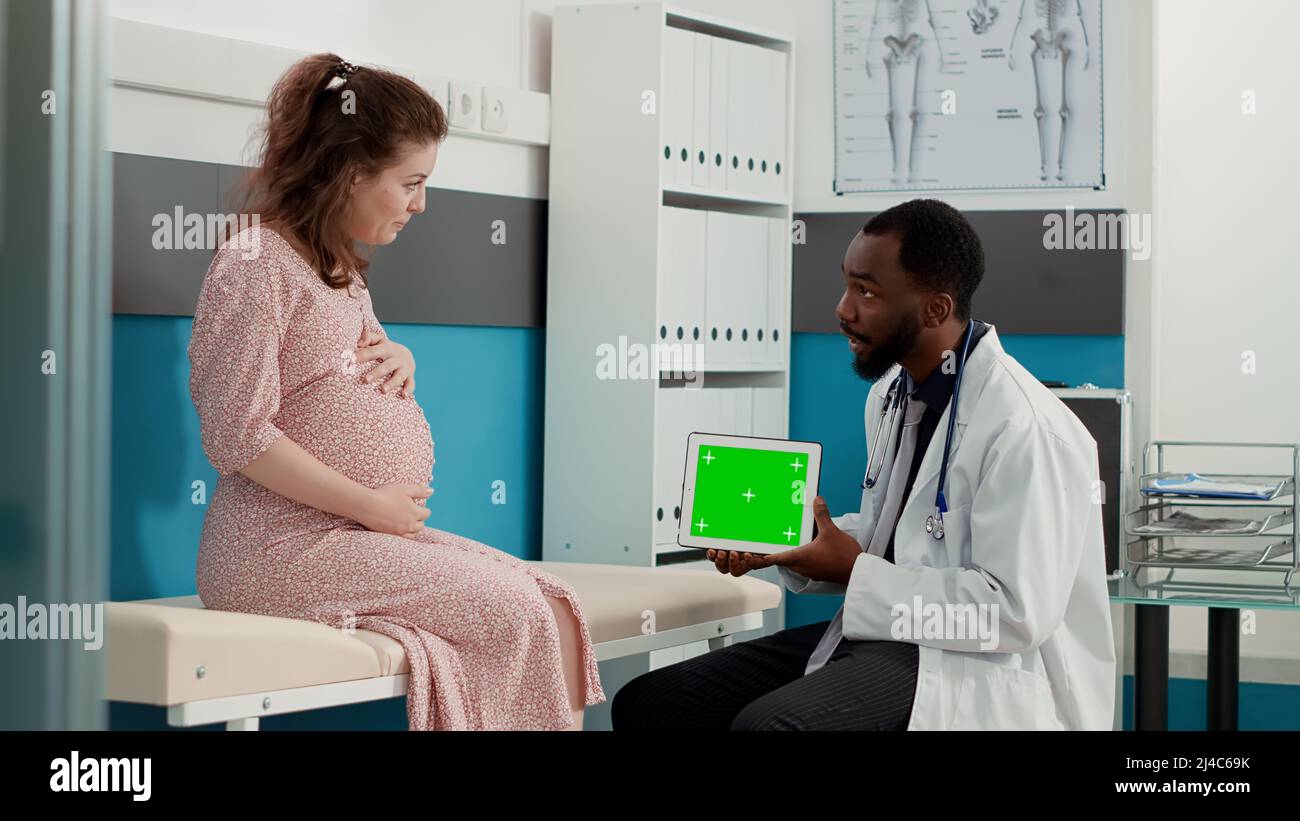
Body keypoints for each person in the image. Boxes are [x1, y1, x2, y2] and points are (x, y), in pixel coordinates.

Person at [188, 53, 604, 730]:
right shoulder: (255, 264)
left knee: (553, 601)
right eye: (411, 183)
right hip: (275, 550)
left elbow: (341, 370)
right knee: (513, 609)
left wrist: (400, 358)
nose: (421, 203)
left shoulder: (339, 270)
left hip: (347, 534)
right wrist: (371, 505)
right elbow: (238, 436)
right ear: (351, 173)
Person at [612, 198, 1114, 730]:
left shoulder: (1026, 426)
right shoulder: (892, 396)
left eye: (866, 291)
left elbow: (1013, 612)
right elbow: (903, 540)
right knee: (650, 702)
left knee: (771, 727)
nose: (843, 309)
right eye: (846, 285)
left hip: (984, 667)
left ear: (935, 309)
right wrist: (799, 541)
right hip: (890, 633)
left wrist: (853, 570)